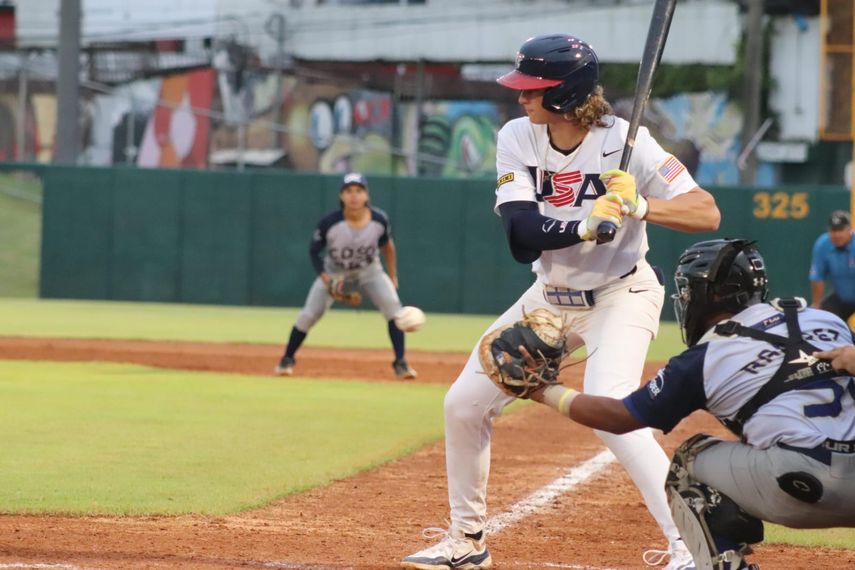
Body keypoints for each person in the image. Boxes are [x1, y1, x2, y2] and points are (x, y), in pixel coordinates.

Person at [401, 34, 720, 570]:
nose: (521, 97)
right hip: (549, 297)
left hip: (622, 292)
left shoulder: (630, 142)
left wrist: (639, 204)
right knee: (462, 404)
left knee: (611, 408)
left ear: (568, 94)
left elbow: (705, 212)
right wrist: (584, 223)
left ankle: (689, 545)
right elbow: (522, 232)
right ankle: (467, 540)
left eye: (533, 89)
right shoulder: (518, 137)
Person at [525, 238, 855, 569]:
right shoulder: (830, 323)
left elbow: (620, 416)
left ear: (710, 294)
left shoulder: (705, 355)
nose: (684, 298)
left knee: (688, 460)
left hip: (797, 488)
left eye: (688, 289)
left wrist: (542, 391)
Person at [274, 172, 417, 380]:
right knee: (309, 314)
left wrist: (393, 276)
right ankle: (287, 359)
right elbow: (314, 251)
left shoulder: (379, 220)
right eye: (348, 191)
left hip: (370, 271)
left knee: (394, 309)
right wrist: (326, 279)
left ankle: (401, 363)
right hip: (335, 272)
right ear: (341, 196)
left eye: (359, 191)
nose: (354, 196)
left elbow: (388, 247)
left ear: (366, 195)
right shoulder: (329, 223)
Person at [809, 210, 855, 322]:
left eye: (841, 230)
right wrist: (816, 304)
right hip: (841, 296)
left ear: (849, 229)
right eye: (833, 230)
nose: (837, 235)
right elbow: (817, 277)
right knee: (820, 319)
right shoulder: (823, 244)